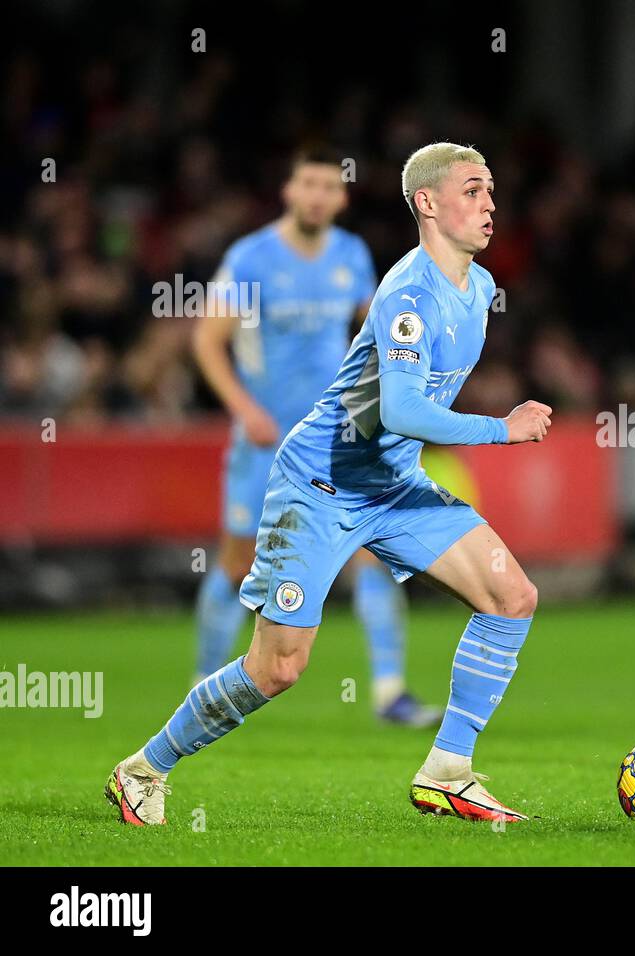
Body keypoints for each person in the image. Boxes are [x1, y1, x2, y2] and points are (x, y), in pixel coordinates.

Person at [107, 142, 552, 825]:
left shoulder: (482, 289)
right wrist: (501, 428)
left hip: (393, 484)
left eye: (491, 191)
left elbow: (403, 405)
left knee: (512, 595)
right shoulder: (408, 293)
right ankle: (143, 769)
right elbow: (401, 408)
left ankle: (448, 770)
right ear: (427, 204)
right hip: (322, 482)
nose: (490, 204)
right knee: (278, 669)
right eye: (472, 190)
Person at [192, 145, 439, 727]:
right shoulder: (251, 258)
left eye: (330, 186)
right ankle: (202, 685)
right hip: (265, 440)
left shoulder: (351, 256)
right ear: (289, 190)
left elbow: (376, 329)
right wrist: (245, 410)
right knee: (236, 563)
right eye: (309, 183)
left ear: (341, 196)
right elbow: (207, 340)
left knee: (371, 555)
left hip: (334, 440)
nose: (319, 195)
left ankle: (389, 693)